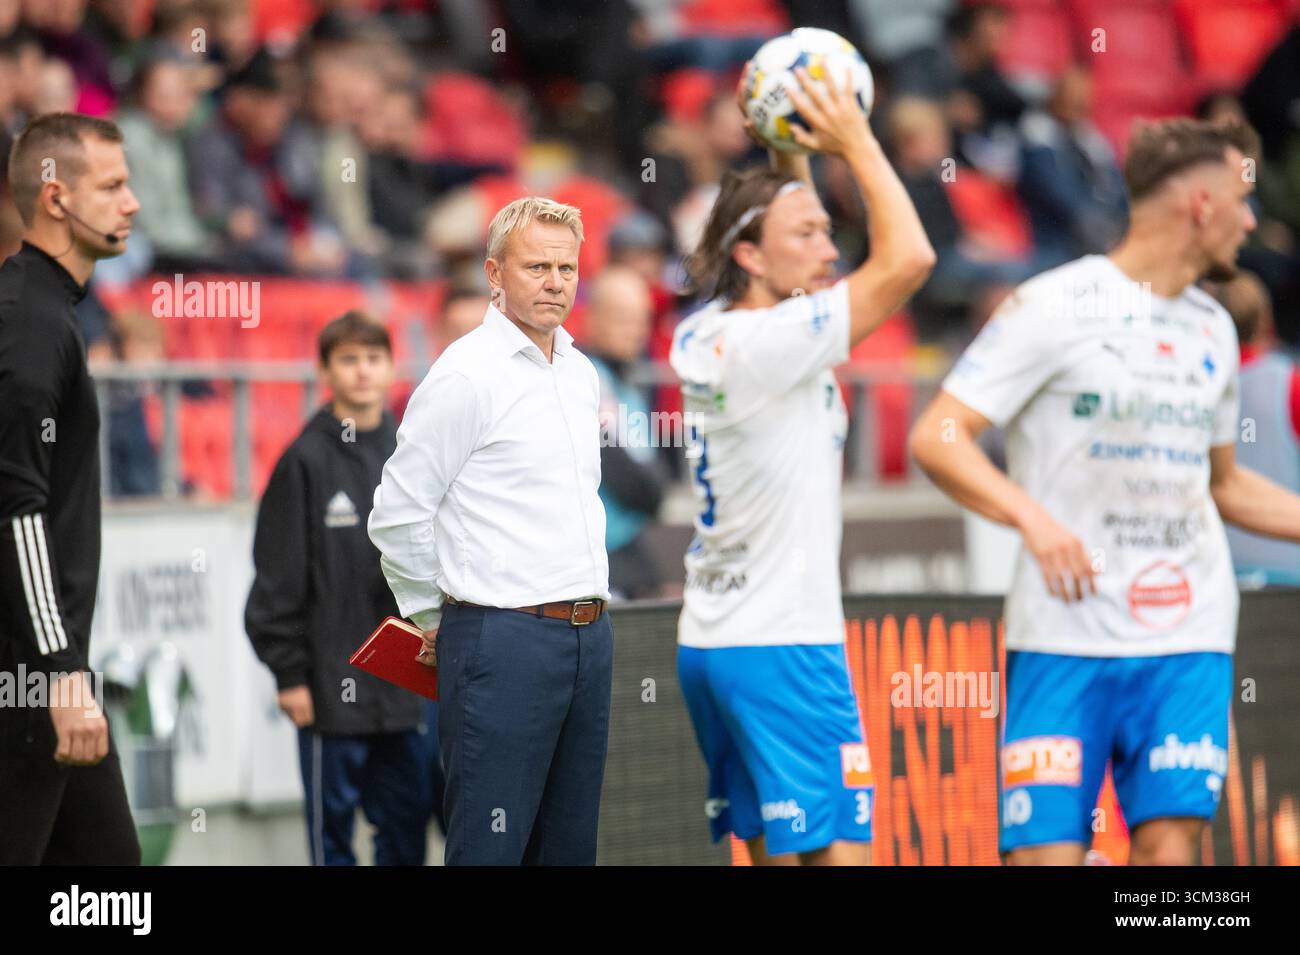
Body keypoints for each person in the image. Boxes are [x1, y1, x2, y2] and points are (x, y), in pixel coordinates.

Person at [910, 118, 1300, 866]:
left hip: (1186, 634)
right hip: (1064, 634)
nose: (1252, 221)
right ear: (1200, 202)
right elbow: (939, 435)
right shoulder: (1053, 305)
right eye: (1244, 201)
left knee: (1168, 853)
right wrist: (1033, 519)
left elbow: (1224, 485)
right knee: (1043, 856)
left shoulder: (1215, 329)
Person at [670, 68, 934, 865]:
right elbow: (912, 257)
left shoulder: (713, 329)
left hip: (714, 643)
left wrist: (790, 150)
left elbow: (779, 225)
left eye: (827, 231)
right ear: (749, 255)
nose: (828, 250)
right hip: (785, 645)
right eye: (809, 236)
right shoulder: (774, 343)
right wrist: (856, 140)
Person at [368, 196, 613, 866]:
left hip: (589, 636)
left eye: (566, 267)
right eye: (536, 266)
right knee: (488, 850)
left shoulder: (581, 371)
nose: (555, 281)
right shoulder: (464, 375)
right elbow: (397, 509)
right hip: (501, 637)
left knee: (568, 852)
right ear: (494, 273)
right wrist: (427, 614)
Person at [0, 111, 141, 864]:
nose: (133, 203)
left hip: (46, 676)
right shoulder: (30, 324)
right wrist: (57, 674)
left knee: (109, 876)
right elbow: (14, 509)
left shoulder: (49, 311)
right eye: (114, 185)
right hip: (24, 684)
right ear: (57, 197)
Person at [245, 311, 435, 865]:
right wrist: (290, 674)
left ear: (391, 367)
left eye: (373, 358)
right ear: (324, 370)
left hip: (407, 686)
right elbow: (277, 580)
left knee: (405, 831)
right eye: (348, 360)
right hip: (332, 689)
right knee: (332, 841)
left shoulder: (413, 456)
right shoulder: (303, 461)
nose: (362, 372)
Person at [1206, 271, 1300, 586]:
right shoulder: (1290, 384)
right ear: (1265, 322)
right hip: (1288, 570)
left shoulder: (1189, 385)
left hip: (1213, 573)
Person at [586, 265, 666, 599]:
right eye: (622, 317)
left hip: (624, 542)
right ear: (593, 317)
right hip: (597, 553)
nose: (635, 330)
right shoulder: (587, 378)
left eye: (642, 318)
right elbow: (633, 481)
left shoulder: (626, 381)